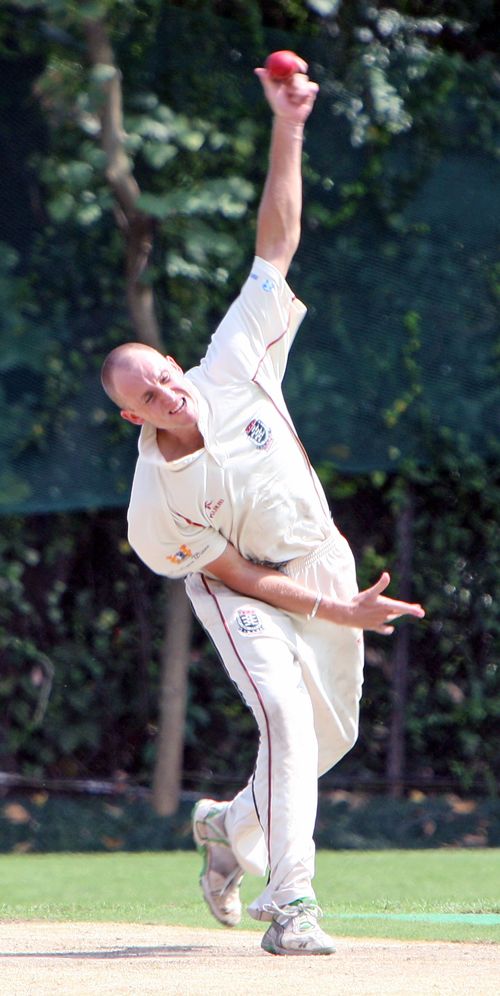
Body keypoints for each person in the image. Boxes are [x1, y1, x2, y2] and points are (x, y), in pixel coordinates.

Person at [101, 61, 425, 957]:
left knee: (326, 738)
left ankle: (225, 826)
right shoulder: (155, 506)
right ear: (134, 417)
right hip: (240, 586)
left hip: (318, 554)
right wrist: (332, 610)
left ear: (176, 364)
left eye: (165, 374)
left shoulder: (233, 363)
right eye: (148, 396)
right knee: (283, 715)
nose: (169, 393)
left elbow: (274, 247)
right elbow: (239, 574)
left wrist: (289, 123)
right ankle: (293, 909)